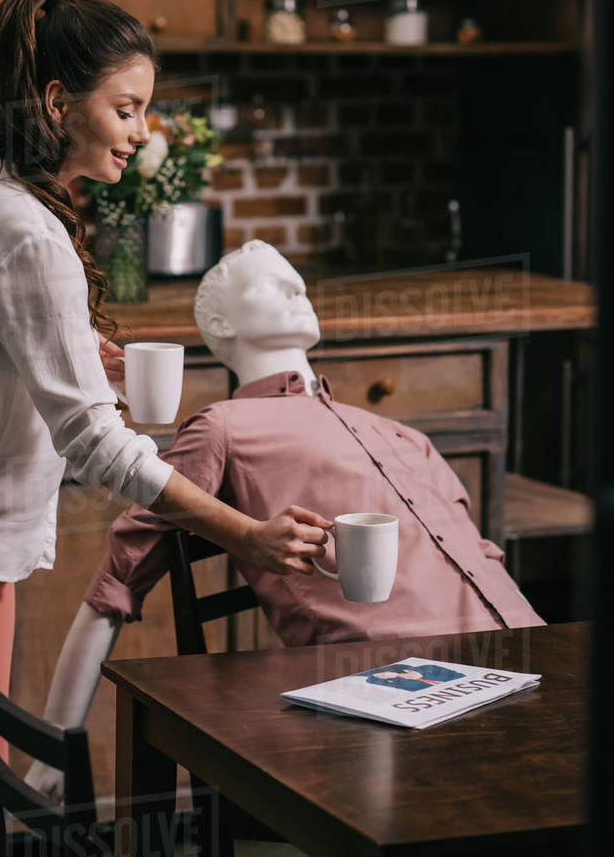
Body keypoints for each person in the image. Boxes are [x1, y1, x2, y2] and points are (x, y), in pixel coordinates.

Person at [0, 0, 332, 857]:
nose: (140, 133)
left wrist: (52, 355)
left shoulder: (1, 197)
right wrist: (245, 535)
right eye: (125, 109)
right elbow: (96, 442)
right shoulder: (26, 230)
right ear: (60, 104)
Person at [27, 240, 543, 798]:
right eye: (272, 284)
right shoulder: (224, 426)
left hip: (533, 652)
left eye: (297, 278)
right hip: (405, 683)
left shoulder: (401, 436)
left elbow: (482, 552)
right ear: (220, 324)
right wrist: (58, 741)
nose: (299, 290)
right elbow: (117, 582)